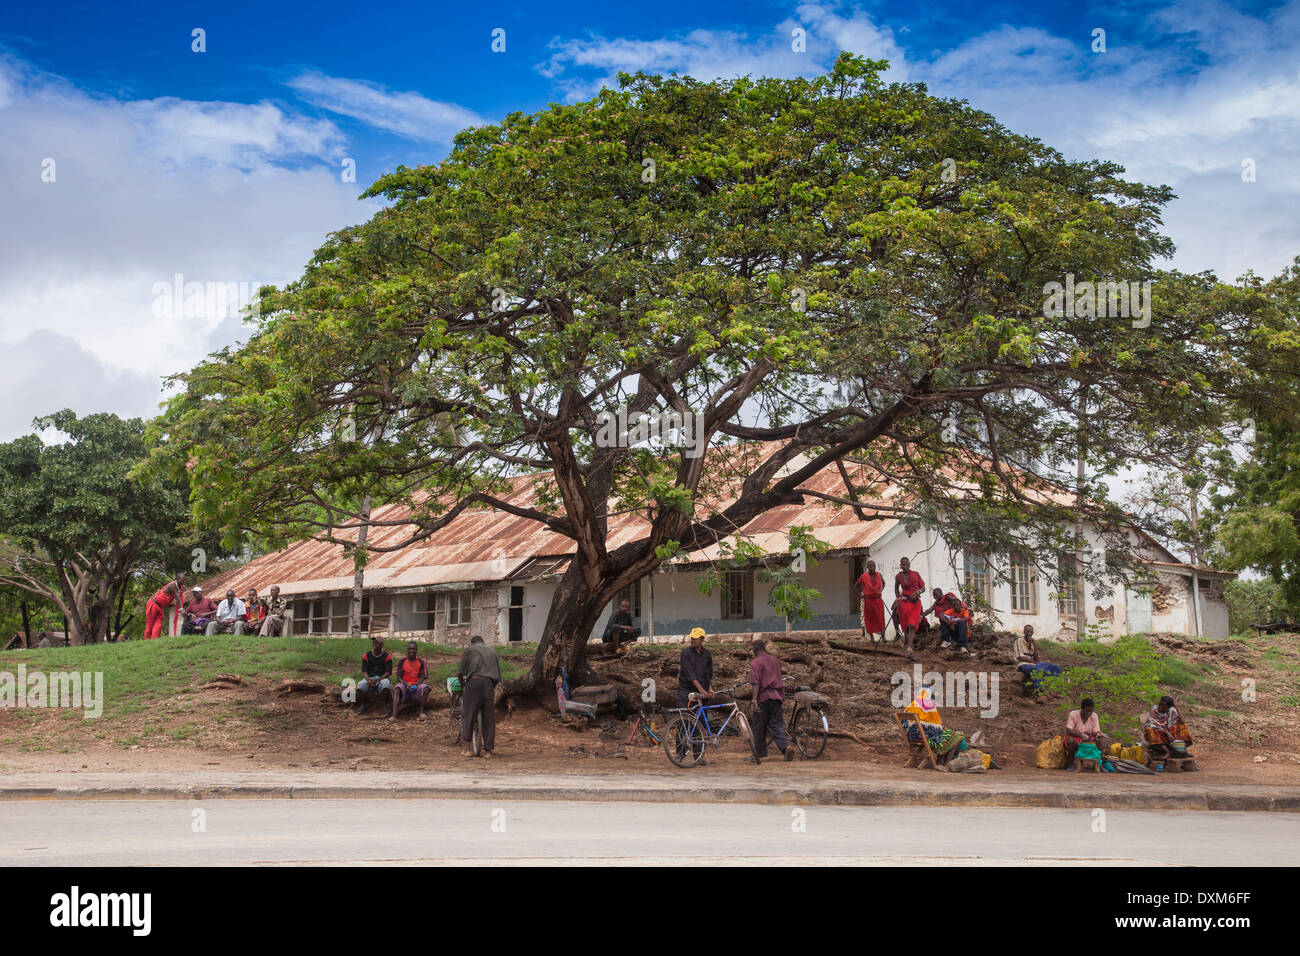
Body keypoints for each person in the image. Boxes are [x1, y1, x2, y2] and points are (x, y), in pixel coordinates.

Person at [748, 640, 797, 761]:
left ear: (755, 650)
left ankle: (759, 754)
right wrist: (782, 699)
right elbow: (779, 679)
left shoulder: (755, 663)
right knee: (776, 725)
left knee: (759, 726)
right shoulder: (775, 660)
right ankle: (787, 747)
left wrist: (754, 700)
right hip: (777, 696)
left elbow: (755, 683)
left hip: (763, 698)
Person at [456, 635, 501, 757]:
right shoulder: (492, 651)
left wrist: (463, 685)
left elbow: (460, 672)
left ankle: (467, 749)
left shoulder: (469, 650)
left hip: (474, 683)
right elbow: (498, 676)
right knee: (488, 717)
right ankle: (488, 751)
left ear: (472, 643)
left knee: (469, 714)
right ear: (483, 642)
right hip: (488, 684)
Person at [902, 685, 967, 763]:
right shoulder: (929, 705)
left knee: (947, 734)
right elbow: (937, 727)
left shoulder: (912, 704)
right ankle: (944, 762)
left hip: (911, 737)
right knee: (956, 736)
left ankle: (942, 760)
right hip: (923, 738)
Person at [1143, 696, 1194, 771]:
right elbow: (1151, 723)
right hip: (1158, 732)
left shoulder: (1171, 710)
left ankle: (1181, 751)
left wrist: (1176, 706)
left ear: (1168, 707)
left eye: (1163, 706)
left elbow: (1182, 721)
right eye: (1160, 704)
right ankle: (1168, 752)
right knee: (1149, 730)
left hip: (1170, 733)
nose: (1160, 707)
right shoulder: (1154, 709)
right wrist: (1166, 732)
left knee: (1183, 726)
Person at [1012, 625, 1060, 696]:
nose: (1029, 634)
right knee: (1037, 669)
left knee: (1055, 667)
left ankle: (1054, 691)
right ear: (1024, 632)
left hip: (1034, 664)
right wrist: (1034, 662)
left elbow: (1037, 659)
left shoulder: (1031, 643)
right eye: (1027, 632)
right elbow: (1020, 657)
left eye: (1030, 632)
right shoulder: (1018, 641)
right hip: (1023, 665)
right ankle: (1039, 693)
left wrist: (1034, 644)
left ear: (1033, 633)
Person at [894, 557, 926, 661]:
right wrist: (898, 597)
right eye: (902, 565)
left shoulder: (916, 574)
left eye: (906, 564)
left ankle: (909, 648)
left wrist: (917, 592)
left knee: (912, 625)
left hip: (915, 603)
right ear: (900, 565)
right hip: (904, 603)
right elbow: (896, 589)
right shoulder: (898, 577)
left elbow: (923, 588)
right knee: (907, 626)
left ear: (909, 564)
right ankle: (908, 647)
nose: (904, 566)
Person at [1063, 698, 1109, 769]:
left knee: (1101, 742)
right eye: (1086, 711)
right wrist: (1080, 735)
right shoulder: (1073, 714)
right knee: (1070, 741)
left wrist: (1098, 734)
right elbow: (1069, 730)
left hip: (1089, 738)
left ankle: (1099, 763)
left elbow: (1095, 731)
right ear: (1082, 709)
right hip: (1075, 736)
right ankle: (1071, 763)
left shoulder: (1094, 716)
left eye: (1090, 711)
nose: (1089, 713)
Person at [390, 641, 431, 720]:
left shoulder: (421, 662)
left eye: (414, 649)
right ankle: (394, 715)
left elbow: (422, 677)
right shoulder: (402, 661)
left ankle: (421, 713)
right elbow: (398, 677)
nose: (411, 651)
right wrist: (406, 684)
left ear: (416, 650)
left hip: (416, 685)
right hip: (404, 685)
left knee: (426, 688)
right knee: (397, 688)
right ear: (407, 650)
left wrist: (415, 685)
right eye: (410, 649)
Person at [354, 635, 393, 715]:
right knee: (360, 685)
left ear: (382, 645)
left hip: (381, 679)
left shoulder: (387, 656)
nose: (374, 644)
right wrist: (369, 680)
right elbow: (364, 671)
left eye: (377, 643)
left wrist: (377, 680)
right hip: (369, 678)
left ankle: (383, 704)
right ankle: (363, 704)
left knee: (386, 683)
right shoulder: (366, 655)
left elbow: (388, 673)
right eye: (373, 642)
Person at [677, 627, 715, 707]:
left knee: (702, 718)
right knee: (686, 718)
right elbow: (690, 675)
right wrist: (702, 691)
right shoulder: (685, 654)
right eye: (692, 638)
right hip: (687, 692)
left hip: (702, 693)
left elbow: (708, 674)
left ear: (702, 639)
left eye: (695, 638)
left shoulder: (707, 655)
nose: (693, 640)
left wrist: (709, 688)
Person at [144, 572, 186, 640]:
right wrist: (181, 609)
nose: (184, 581)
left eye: (185, 580)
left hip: (159, 607)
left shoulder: (180, 587)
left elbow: (178, 599)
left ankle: (153, 640)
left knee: (158, 624)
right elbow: (177, 598)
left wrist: (181, 608)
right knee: (150, 625)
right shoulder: (172, 585)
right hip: (153, 604)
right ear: (177, 579)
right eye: (182, 579)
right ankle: (146, 640)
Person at [856, 559, 887, 641]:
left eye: (874, 566)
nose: (872, 568)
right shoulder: (863, 577)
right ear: (867, 567)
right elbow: (856, 586)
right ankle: (872, 637)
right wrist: (861, 595)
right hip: (868, 600)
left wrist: (879, 591)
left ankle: (883, 637)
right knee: (869, 618)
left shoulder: (879, 575)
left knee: (880, 618)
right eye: (870, 566)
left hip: (878, 600)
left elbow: (884, 583)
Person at [935, 591, 972, 655]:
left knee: (962, 623)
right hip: (952, 631)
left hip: (961, 633)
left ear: (961, 605)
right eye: (954, 605)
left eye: (957, 605)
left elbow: (966, 618)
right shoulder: (950, 611)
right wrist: (948, 622)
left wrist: (954, 621)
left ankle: (962, 646)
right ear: (952, 606)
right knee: (943, 621)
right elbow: (940, 615)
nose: (956, 606)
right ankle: (946, 640)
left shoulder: (965, 611)